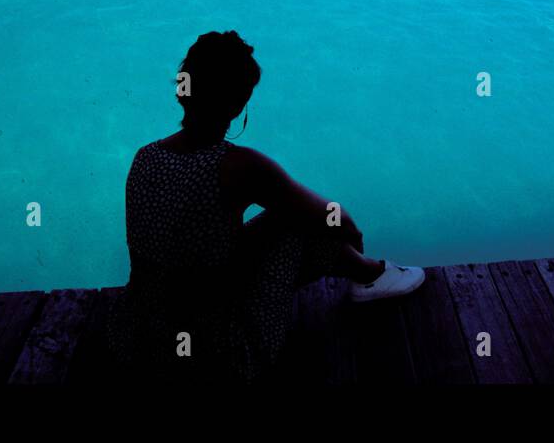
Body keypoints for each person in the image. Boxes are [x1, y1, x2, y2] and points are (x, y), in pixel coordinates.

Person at [112, 30, 424, 381]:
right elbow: (330, 218)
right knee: (300, 223)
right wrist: (351, 234)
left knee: (281, 218)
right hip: (216, 355)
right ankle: (370, 273)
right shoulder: (239, 166)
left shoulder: (145, 157)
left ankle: (366, 273)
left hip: (139, 337)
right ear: (238, 104)